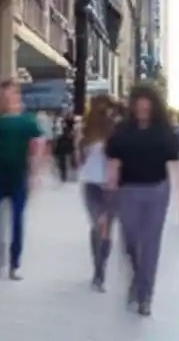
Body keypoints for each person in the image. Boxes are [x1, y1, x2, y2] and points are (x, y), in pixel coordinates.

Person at [105, 83, 179, 316]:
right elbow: (113, 161)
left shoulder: (164, 132)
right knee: (130, 242)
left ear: (153, 107)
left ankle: (145, 296)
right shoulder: (122, 131)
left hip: (157, 191)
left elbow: (176, 161)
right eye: (138, 104)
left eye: (146, 105)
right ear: (133, 106)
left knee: (150, 244)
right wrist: (111, 188)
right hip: (128, 190)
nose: (142, 109)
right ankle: (138, 280)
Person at [0, 79, 45, 280]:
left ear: (16, 96)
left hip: (19, 179)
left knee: (17, 221)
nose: (6, 99)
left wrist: (35, 175)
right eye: (3, 95)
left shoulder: (28, 122)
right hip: (0, 180)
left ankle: (14, 263)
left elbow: (35, 150)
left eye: (9, 94)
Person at [79, 94, 116, 291]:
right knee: (98, 225)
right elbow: (81, 158)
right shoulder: (86, 131)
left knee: (105, 229)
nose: (104, 110)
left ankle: (100, 272)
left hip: (110, 186)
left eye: (107, 107)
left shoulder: (115, 131)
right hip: (91, 184)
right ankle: (98, 270)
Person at [55, 111, 77, 182]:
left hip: (63, 143)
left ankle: (64, 176)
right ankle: (67, 175)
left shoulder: (62, 123)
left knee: (64, 161)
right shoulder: (71, 124)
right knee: (68, 160)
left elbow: (57, 134)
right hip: (65, 143)